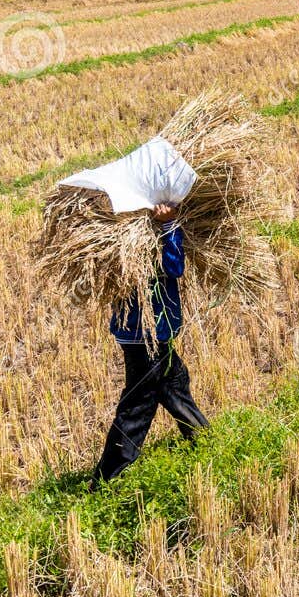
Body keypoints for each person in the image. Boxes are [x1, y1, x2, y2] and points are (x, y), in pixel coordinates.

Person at [91, 204, 207, 485]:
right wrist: (169, 225)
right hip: (146, 333)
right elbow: (173, 267)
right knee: (138, 404)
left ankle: (202, 438)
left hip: (138, 332)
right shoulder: (139, 237)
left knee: (174, 382)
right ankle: (107, 479)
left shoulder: (116, 230)